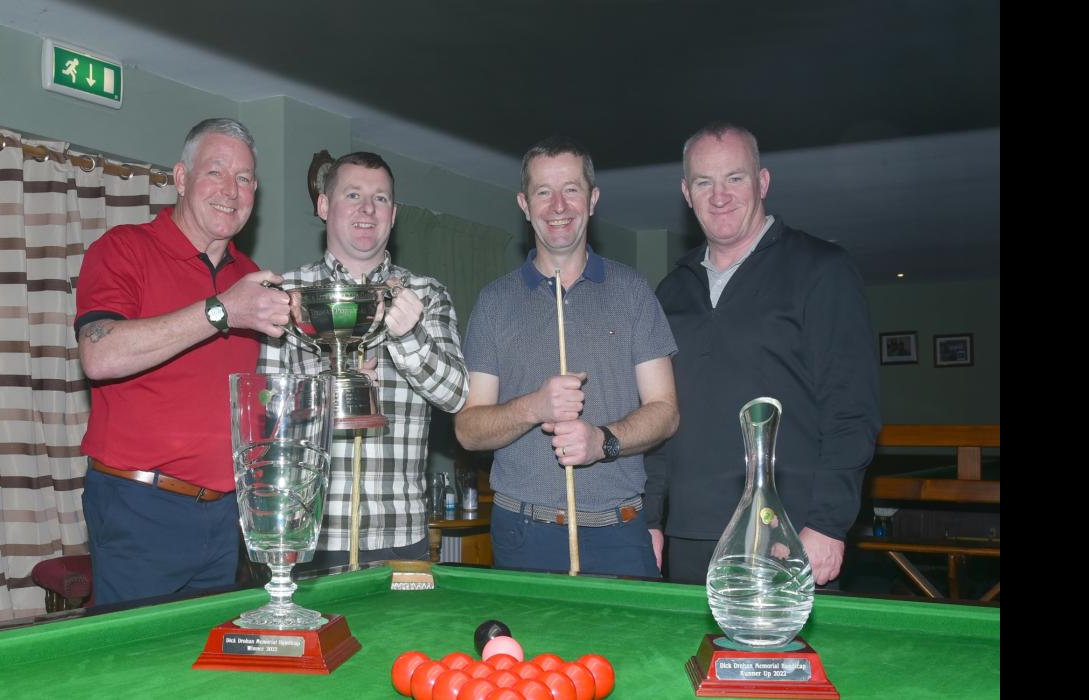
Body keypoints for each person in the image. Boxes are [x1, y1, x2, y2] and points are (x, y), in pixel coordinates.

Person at [645, 123, 881, 586]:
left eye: (735, 178)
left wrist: (829, 524)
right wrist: (649, 518)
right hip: (688, 538)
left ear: (763, 182)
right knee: (681, 661)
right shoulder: (670, 291)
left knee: (786, 662)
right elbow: (658, 417)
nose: (719, 196)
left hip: (788, 536)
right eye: (703, 182)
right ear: (686, 194)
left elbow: (851, 411)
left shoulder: (822, 270)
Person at [75, 118, 293, 605]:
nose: (230, 191)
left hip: (224, 516)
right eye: (215, 172)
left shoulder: (252, 278)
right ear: (180, 178)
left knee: (204, 670)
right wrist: (222, 310)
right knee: (138, 667)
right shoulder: (123, 250)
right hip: (139, 506)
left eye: (244, 179)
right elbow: (98, 354)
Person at [455, 136, 679, 578]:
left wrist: (603, 441)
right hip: (524, 533)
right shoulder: (495, 302)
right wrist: (533, 407)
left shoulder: (633, 292)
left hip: (619, 533)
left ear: (592, 199)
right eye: (543, 192)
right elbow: (467, 429)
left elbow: (666, 410)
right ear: (524, 204)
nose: (558, 205)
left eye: (571, 189)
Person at [258, 152, 468, 566]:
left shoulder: (426, 293)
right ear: (323, 205)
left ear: (394, 214)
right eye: (352, 195)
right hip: (313, 530)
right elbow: (267, 416)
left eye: (381, 199)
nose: (367, 209)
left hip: (400, 529)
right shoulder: (285, 295)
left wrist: (408, 336)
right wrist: (329, 385)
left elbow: (457, 395)